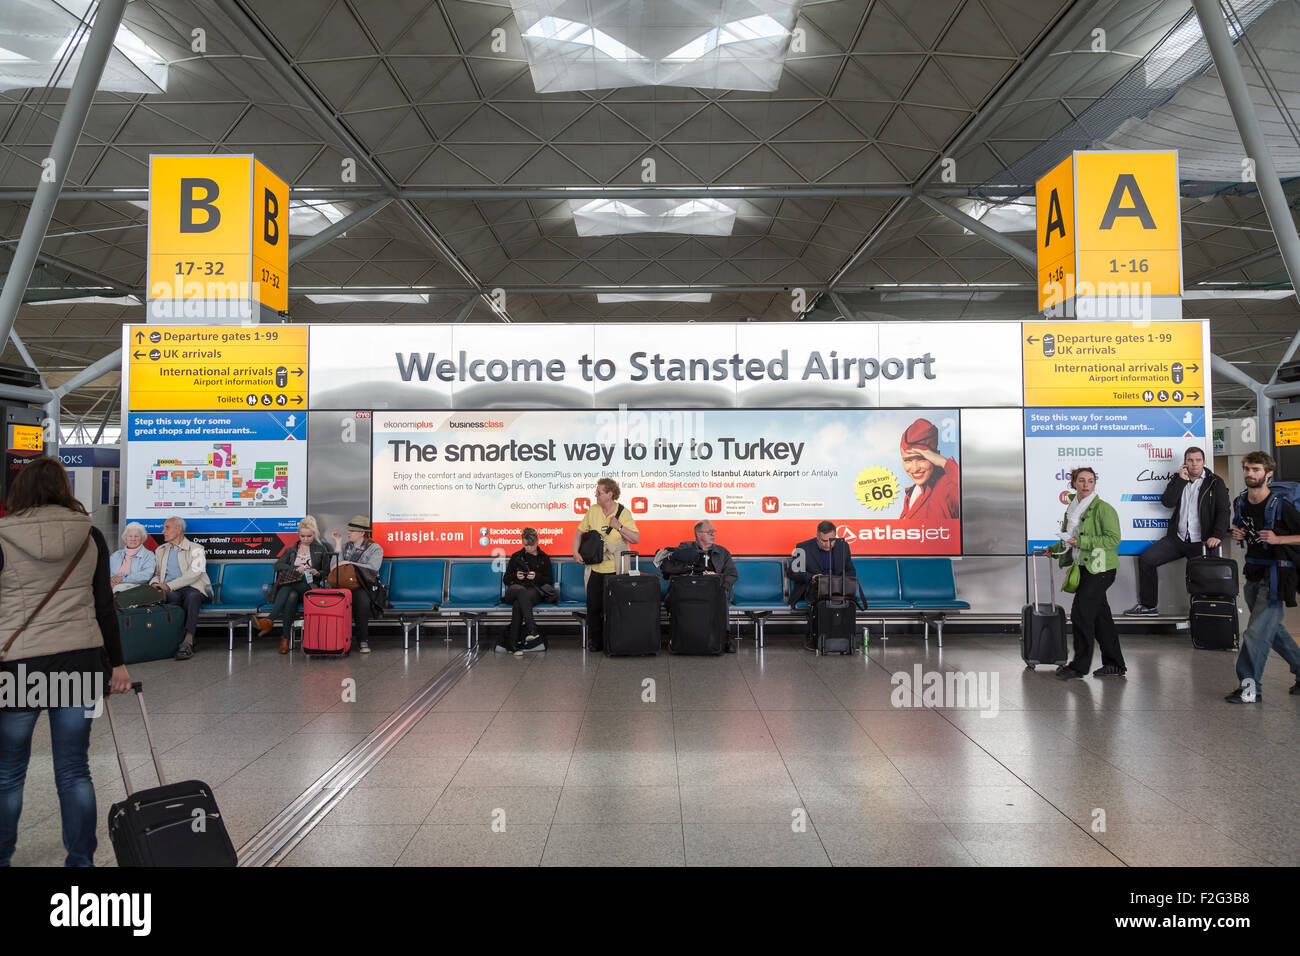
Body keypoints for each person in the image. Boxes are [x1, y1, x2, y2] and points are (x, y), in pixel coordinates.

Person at [0, 456, 131, 867]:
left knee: (8, 773)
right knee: (74, 769)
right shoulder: (89, 535)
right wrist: (119, 663)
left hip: (18, 666)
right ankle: (81, 862)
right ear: (64, 488)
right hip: (78, 662)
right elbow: (104, 606)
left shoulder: (1, 536)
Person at [1224, 451, 1300, 703]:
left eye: (1256, 470)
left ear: (1268, 474)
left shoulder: (1282, 505)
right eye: (1247, 469)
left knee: (1255, 632)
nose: (1249, 474)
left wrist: (1280, 539)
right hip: (1253, 571)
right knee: (1272, 630)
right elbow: (1243, 530)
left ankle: (1249, 686)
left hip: (1279, 574)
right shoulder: (1241, 501)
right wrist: (1239, 535)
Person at [1126, 447, 1229, 615]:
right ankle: (1148, 605)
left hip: (1201, 541)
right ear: (1185, 462)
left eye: (1197, 460)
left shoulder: (1215, 482)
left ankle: (1201, 611)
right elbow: (1167, 502)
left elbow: (1224, 511)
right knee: (1146, 560)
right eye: (1190, 460)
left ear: (1204, 462)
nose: (1194, 464)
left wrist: (1217, 535)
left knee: (1200, 577)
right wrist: (1181, 481)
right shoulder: (1178, 479)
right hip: (1178, 539)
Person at [1049, 467, 1124, 680]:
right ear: (1073, 483)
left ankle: (1079, 667)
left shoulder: (1103, 508)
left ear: (1094, 484)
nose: (1086, 484)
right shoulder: (1072, 508)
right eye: (1081, 480)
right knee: (1101, 619)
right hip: (1084, 568)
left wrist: (1081, 542)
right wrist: (1053, 550)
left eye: (1090, 481)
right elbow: (1069, 538)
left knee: (1082, 614)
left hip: (1101, 569)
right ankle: (1115, 664)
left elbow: (1113, 539)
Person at [571, 478, 639, 653]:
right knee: (593, 607)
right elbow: (579, 532)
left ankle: (614, 640)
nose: (596, 494)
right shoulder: (593, 510)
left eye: (599, 492)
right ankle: (596, 642)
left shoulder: (623, 512)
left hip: (616, 570)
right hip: (595, 568)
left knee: (615, 607)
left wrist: (619, 526)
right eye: (597, 491)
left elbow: (636, 539)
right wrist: (575, 552)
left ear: (610, 494)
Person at [659, 519, 739, 653]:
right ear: (698, 534)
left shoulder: (722, 552)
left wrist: (718, 580)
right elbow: (670, 570)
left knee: (721, 598)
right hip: (687, 591)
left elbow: (732, 575)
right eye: (709, 532)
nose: (713, 535)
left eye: (713, 532)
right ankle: (680, 638)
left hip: (713, 592)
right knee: (672, 599)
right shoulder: (685, 548)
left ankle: (725, 638)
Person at [261, 517, 331, 655]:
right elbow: (277, 565)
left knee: (289, 588)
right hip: (293, 587)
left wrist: (317, 572)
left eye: (309, 536)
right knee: (291, 595)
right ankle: (285, 639)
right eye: (302, 536)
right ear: (299, 535)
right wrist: (294, 568)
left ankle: (270, 620)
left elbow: (327, 572)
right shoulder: (292, 550)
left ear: (314, 534)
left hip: (310, 587)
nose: (305, 539)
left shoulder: (320, 549)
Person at [149, 516, 212, 661]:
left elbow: (194, 575)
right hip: (170, 590)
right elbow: (156, 573)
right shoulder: (161, 550)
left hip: (193, 587)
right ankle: (172, 640)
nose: (163, 531)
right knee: (172, 598)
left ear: (179, 529)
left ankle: (188, 641)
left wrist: (169, 585)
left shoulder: (197, 549)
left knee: (193, 597)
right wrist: (155, 584)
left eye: (167, 528)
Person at [788, 520, 858, 651]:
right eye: (823, 541)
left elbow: (851, 570)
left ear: (835, 537)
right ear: (817, 536)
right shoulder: (803, 547)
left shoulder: (843, 547)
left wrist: (840, 580)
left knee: (847, 602)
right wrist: (811, 577)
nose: (828, 545)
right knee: (818, 603)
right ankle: (814, 637)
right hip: (813, 589)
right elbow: (793, 572)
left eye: (832, 540)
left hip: (836, 588)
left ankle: (845, 637)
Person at [330, 515, 384, 654]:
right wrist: (337, 543)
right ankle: (335, 640)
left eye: (352, 530)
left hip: (363, 585)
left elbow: (373, 568)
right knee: (338, 599)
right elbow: (333, 567)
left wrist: (349, 563)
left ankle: (362, 640)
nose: (349, 532)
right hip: (344, 584)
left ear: (362, 533)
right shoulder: (345, 546)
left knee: (362, 600)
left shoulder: (375, 548)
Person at [498, 527, 554, 656]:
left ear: (537, 542)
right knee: (521, 590)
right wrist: (515, 576)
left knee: (519, 605)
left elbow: (549, 580)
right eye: (526, 545)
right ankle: (532, 630)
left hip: (533, 590)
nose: (528, 548)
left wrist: (537, 577)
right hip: (514, 590)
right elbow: (506, 579)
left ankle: (513, 643)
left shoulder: (543, 558)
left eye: (531, 545)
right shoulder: (517, 556)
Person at [897, 417, 959, 521]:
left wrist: (943, 462)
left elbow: (967, 490)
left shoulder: (947, 486)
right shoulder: (912, 492)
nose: (915, 468)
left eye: (922, 459)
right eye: (908, 460)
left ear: (935, 458)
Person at [107, 522, 156, 593]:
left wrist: (122, 579)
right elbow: (107, 571)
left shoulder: (149, 555)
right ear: (125, 538)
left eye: (136, 536)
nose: (133, 539)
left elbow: (146, 575)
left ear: (142, 539)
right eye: (130, 536)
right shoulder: (116, 554)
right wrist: (111, 580)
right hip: (113, 585)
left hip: (136, 588)